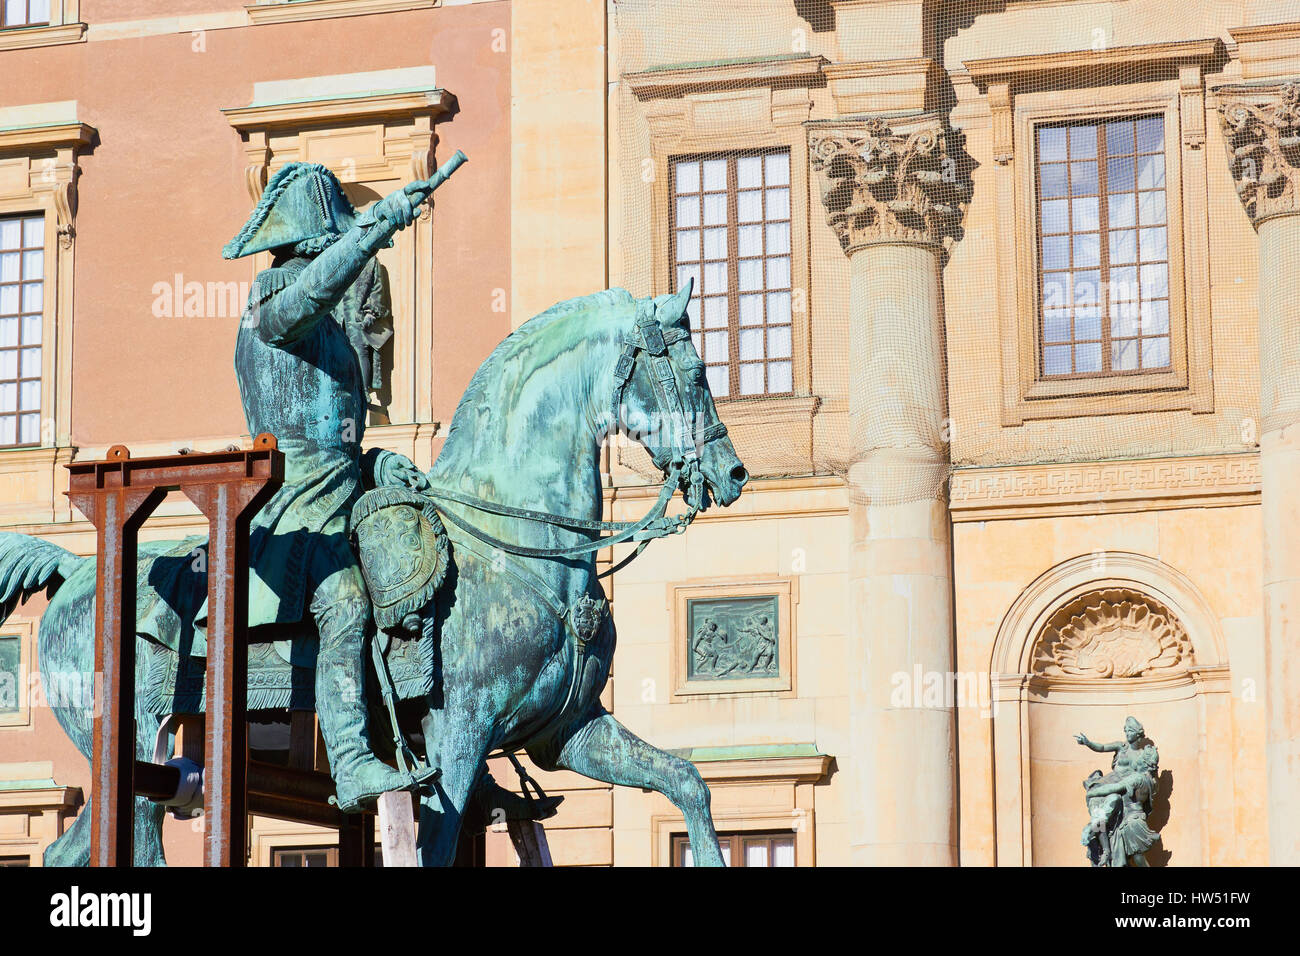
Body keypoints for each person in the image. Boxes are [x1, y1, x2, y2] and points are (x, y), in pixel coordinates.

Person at [222, 162, 441, 811]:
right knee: (344, 600)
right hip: (287, 507)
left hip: (338, 497)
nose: (336, 248)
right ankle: (350, 764)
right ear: (312, 237)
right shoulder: (273, 301)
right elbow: (314, 292)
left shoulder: (328, 323)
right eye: (333, 234)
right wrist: (375, 229)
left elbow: (331, 426)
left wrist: (375, 463)